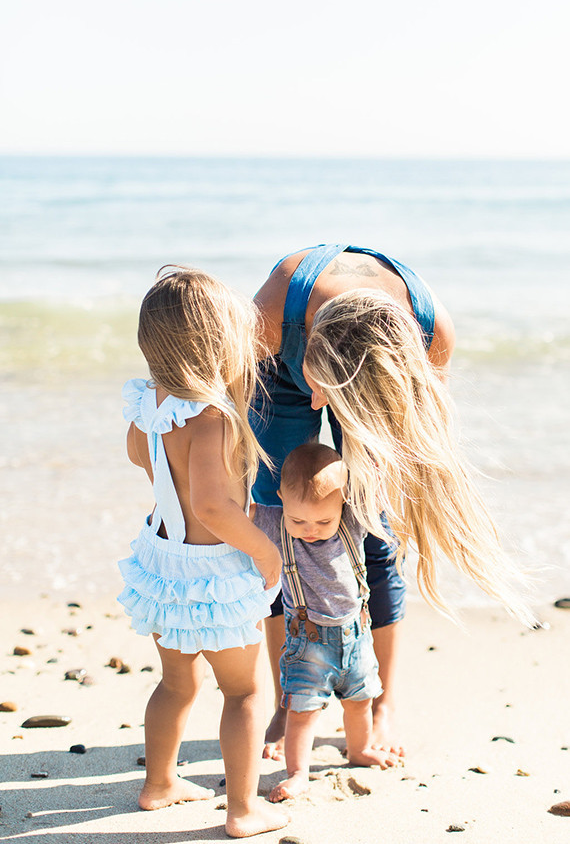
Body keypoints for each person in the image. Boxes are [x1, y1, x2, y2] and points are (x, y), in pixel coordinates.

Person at [250, 243, 533, 761]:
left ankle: (381, 702)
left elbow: (427, 441)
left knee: (375, 531)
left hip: (381, 385)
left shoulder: (430, 333)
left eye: (326, 395)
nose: (320, 405)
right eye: (321, 390)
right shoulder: (270, 314)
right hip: (277, 371)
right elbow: (221, 393)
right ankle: (287, 700)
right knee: (276, 524)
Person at [117, 266, 289, 839]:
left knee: (176, 683)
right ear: (220, 345)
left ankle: (159, 783)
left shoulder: (148, 404)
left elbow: (139, 457)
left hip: (163, 559)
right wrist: (266, 553)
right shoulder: (212, 416)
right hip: (213, 570)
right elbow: (216, 509)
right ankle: (242, 810)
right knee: (242, 691)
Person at [251, 442, 397, 802]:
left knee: (360, 701)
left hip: (357, 635)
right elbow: (233, 509)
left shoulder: (353, 518)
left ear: (344, 503)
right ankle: (298, 772)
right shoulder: (272, 520)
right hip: (308, 643)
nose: (310, 529)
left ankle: (359, 749)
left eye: (322, 521)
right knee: (300, 711)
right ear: (281, 496)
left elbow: (383, 485)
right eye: (298, 520)